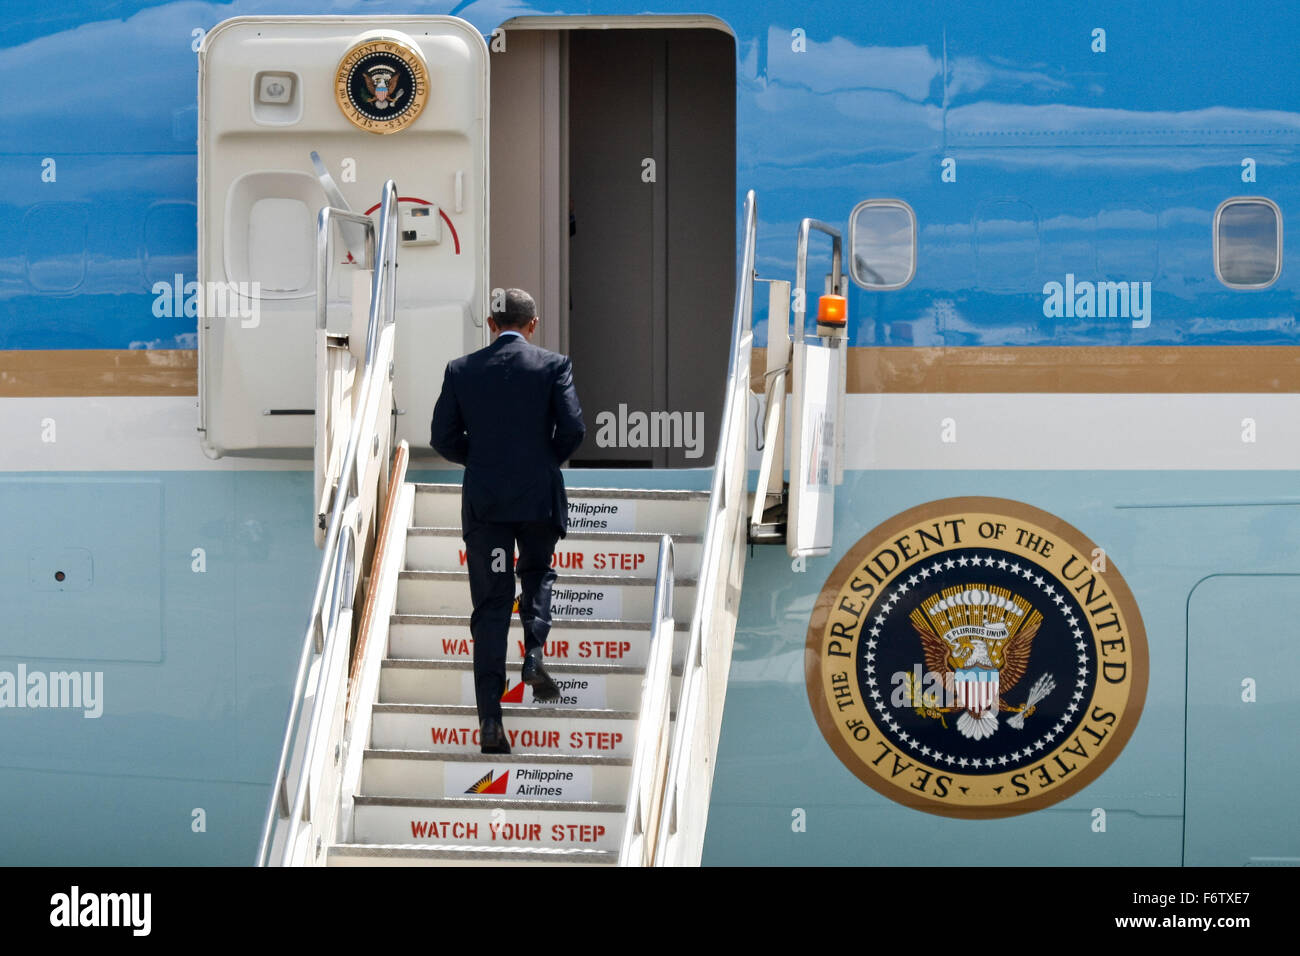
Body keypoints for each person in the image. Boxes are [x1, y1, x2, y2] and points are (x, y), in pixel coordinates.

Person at [429, 289, 586, 754]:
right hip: (537, 497)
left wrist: (480, 462)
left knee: (492, 607)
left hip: (487, 503)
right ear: (532, 324)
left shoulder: (462, 370)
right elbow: (574, 429)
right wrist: (541, 463)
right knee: (537, 573)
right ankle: (534, 654)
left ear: (492, 325)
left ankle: (491, 721)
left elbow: (442, 436)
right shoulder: (554, 365)